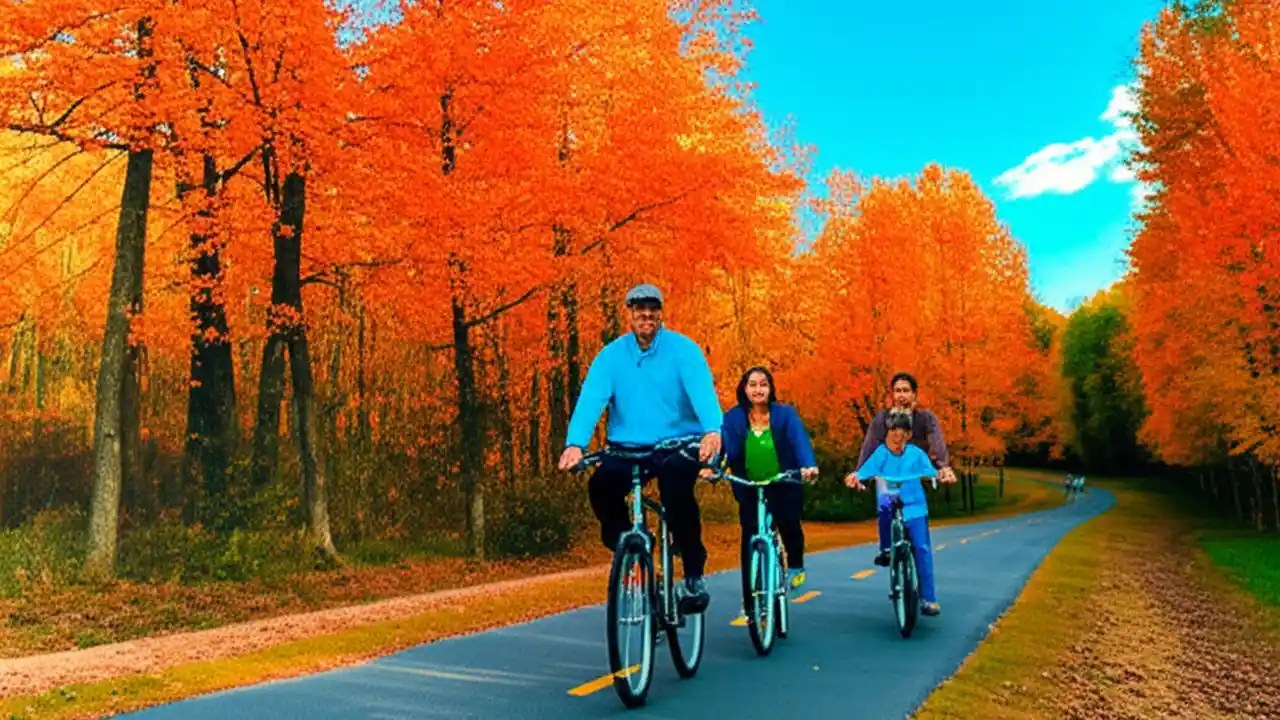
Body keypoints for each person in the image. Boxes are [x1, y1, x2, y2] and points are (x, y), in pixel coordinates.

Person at [558, 283, 722, 613]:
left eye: (652, 309)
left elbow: (703, 394)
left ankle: (692, 571)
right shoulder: (611, 356)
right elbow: (591, 400)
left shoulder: (683, 350)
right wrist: (575, 443)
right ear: (629, 314)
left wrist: (712, 431)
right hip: (628, 447)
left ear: (661, 313)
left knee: (676, 488)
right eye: (638, 309)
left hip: (676, 444)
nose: (646, 314)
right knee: (601, 485)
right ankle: (630, 546)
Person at [719, 366, 819, 607]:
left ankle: (795, 565)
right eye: (752, 385)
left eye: (763, 384)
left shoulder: (785, 415)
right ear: (744, 389)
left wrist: (808, 465)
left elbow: (799, 441)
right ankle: (751, 601)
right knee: (749, 536)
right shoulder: (733, 418)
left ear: (771, 388)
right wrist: (712, 466)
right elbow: (724, 446)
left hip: (783, 482)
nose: (758, 389)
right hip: (749, 485)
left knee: (788, 523)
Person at [850, 371, 957, 568]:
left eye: (906, 391)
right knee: (884, 503)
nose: (901, 395)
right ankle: (887, 549)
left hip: (914, 476)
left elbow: (936, 443)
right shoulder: (882, 419)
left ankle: (920, 580)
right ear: (891, 395)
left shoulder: (925, 419)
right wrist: (861, 475)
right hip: (888, 477)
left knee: (918, 533)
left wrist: (943, 467)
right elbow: (870, 445)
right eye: (897, 391)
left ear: (914, 395)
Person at [845, 407, 943, 616]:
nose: (898, 435)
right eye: (893, 430)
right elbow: (864, 471)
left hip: (914, 503)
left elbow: (931, 472)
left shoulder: (916, 454)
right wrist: (856, 478)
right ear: (887, 432)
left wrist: (940, 475)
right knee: (884, 507)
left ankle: (928, 598)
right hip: (889, 500)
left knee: (922, 547)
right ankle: (886, 550)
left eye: (903, 431)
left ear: (908, 434)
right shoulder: (881, 453)